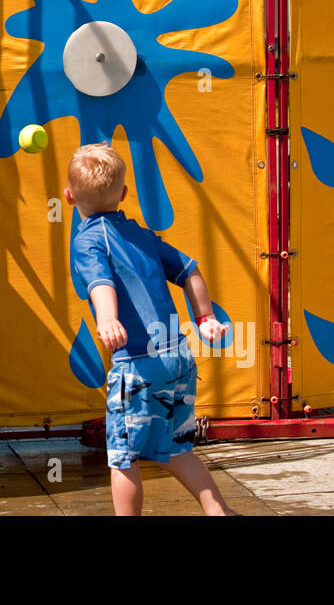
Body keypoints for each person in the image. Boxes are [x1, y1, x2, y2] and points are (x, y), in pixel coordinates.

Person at [65, 143, 235, 516]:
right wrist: (204, 318)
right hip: (178, 358)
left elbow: (100, 282)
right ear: (124, 194)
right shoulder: (142, 234)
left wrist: (107, 319)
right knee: (175, 445)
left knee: (123, 456)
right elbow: (189, 269)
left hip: (137, 366)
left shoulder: (88, 239)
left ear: (68, 195)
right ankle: (219, 512)